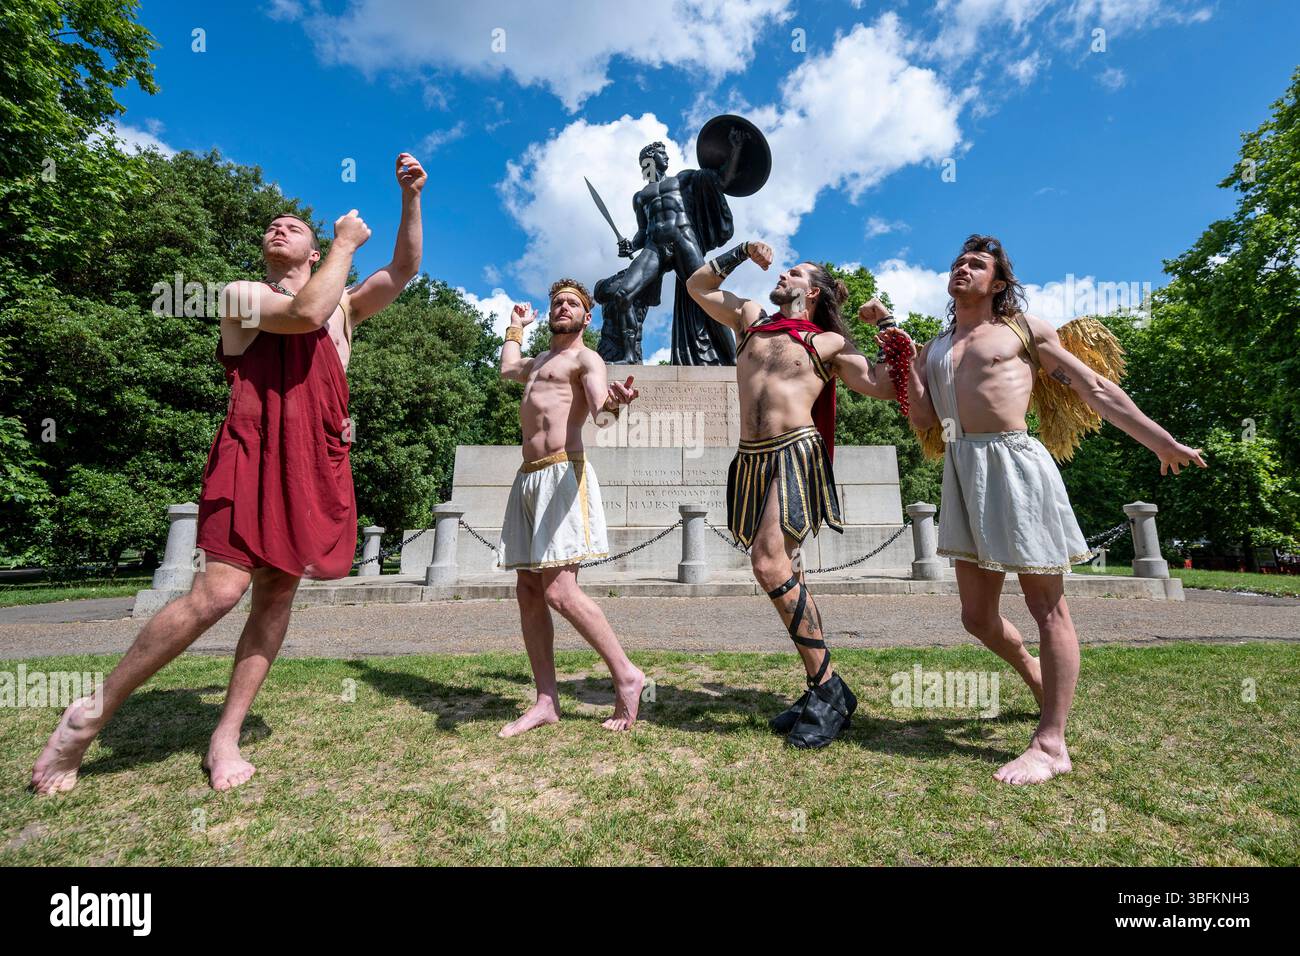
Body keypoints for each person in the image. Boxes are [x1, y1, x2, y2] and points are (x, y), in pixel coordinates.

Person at [30, 153, 428, 794]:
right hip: (254, 451)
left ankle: (225, 737)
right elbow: (303, 315)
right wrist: (346, 244)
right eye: (272, 225)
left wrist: (410, 198)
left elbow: (405, 268)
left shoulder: (346, 310)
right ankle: (86, 718)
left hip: (315, 461)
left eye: (293, 226)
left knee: (276, 595)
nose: (279, 228)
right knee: (217, 592)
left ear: (307, 247)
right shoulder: (243, 296)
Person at [904, 234, 1206, 784]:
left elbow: (1095, 387)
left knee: (1047, 608)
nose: (963, 268)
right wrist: (900, 354)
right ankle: (1036, 676)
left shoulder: (1024, 330)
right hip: (960, 467)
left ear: (997, 283)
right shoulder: (935, 345)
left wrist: (1159, 440)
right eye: (958, 262)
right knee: (976, 617)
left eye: (977, 264)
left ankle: (1051, 744)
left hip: (1016, 465)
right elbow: (924, 419)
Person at [686, 240, 913, 748]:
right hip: (749, 457)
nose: (781, 275)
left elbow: (884, 384)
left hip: (795, 453)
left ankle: (828, 688)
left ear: (812, 292)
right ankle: (820, 689)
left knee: (768, 564)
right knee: (788, 570)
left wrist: (886, 322)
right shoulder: (749, 317)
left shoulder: (827, 342)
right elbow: (697, 286)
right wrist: (741, 251)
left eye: (793, 272)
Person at [495, 279, 644, 737]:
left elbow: (599, 412)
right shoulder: (538, 361)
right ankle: (546, 701)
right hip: (527, 476)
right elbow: (506, 371)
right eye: (556, 301)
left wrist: (616, 407)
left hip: (563, 473)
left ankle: (626, 674)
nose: (562, 306)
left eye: (572, 303)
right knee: (528, 590)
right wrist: (515, 327)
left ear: (586, 316)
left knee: (559, 591)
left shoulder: (586, 358)